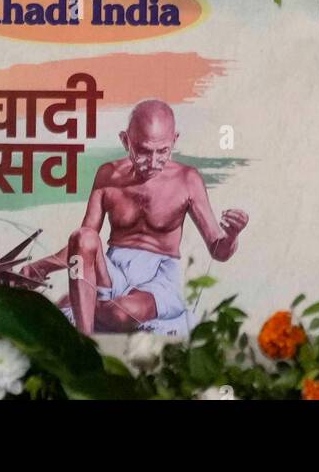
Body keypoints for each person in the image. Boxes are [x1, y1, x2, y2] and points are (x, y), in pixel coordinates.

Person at [20, 98, 247, 336]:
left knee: (119, 314)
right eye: (143, 151)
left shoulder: (187, 180)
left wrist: (232, 235)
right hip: (112, 271)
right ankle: (83, 340)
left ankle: (77, 306)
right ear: (125, 140)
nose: (153, 162)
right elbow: (82, 244)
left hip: (158, 279)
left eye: (163, 151)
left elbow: (218, 251)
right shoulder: (108, 175)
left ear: (174, 140)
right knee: (83, 235)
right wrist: (40, 266)